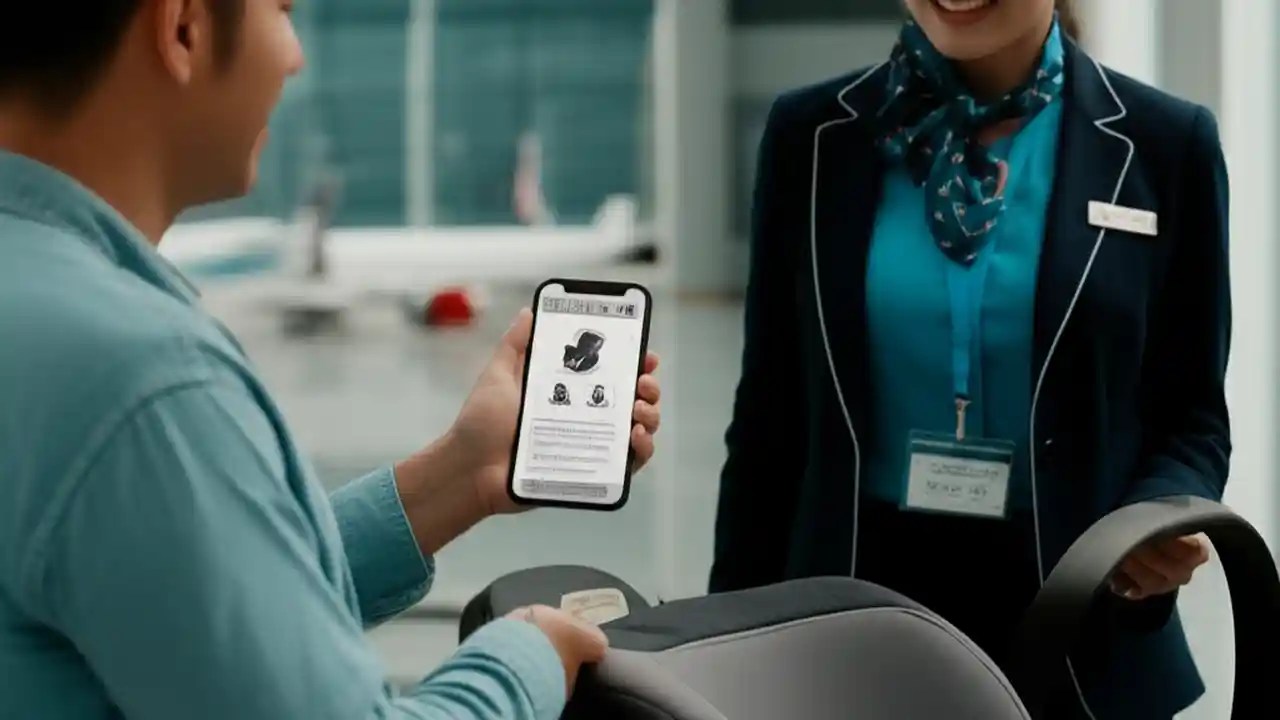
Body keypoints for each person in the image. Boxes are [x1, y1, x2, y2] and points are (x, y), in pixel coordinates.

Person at [0, 2, 662, 719]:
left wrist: (457, 477)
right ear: (184, 27)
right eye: (281, 11)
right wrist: (525, 656)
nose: (295, 57)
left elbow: (179, 590)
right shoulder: (142, 382)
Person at [711, 0, 1228, 717]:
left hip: (1080, 612)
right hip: (847, 615)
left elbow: (1193, 414)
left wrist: (1152, 518)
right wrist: (717, 648)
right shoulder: (815, 137)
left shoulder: (1165, 145)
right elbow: (770, 423)